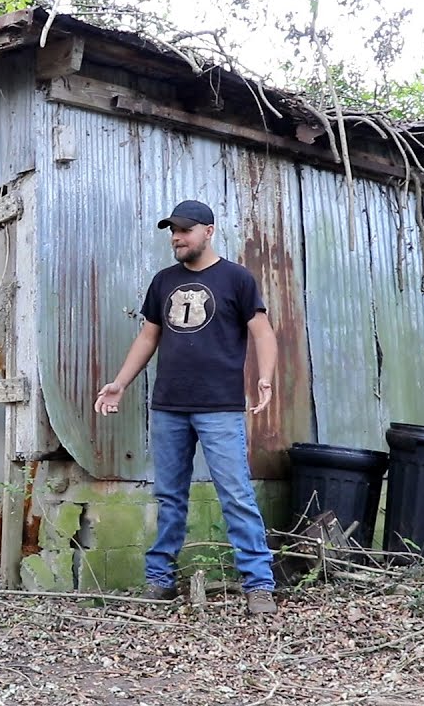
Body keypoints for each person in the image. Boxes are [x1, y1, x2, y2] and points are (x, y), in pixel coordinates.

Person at [94, 199, 279, 616]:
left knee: (235, 494)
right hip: (169, 407)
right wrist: (120, 384)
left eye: (185, 230)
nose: (176, 237)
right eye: (172, 230)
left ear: (208, 231)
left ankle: (259, 585)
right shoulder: (163, 281)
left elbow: (263, 333)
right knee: (170, 496)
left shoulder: (236, 279)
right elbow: (148, 337)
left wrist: (264, 377)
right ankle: (160, 579)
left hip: (220, 407)